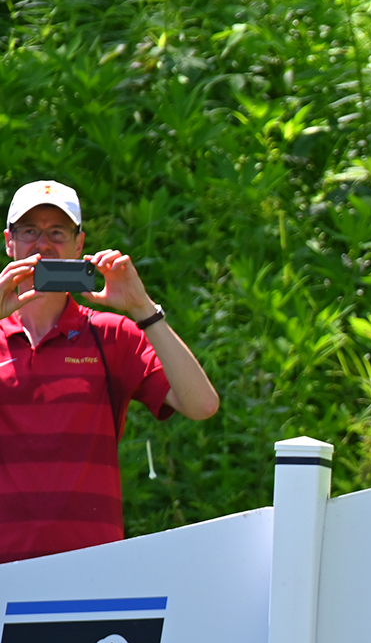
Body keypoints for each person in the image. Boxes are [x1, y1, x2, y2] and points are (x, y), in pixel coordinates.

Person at [0, 180, 220, 564]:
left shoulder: (111, 334)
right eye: (30, 231)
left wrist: (142, 307)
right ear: (9, 241)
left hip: (92, 570)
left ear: (79, 244)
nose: (42, 244)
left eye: (57, 232)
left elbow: (201, 404)